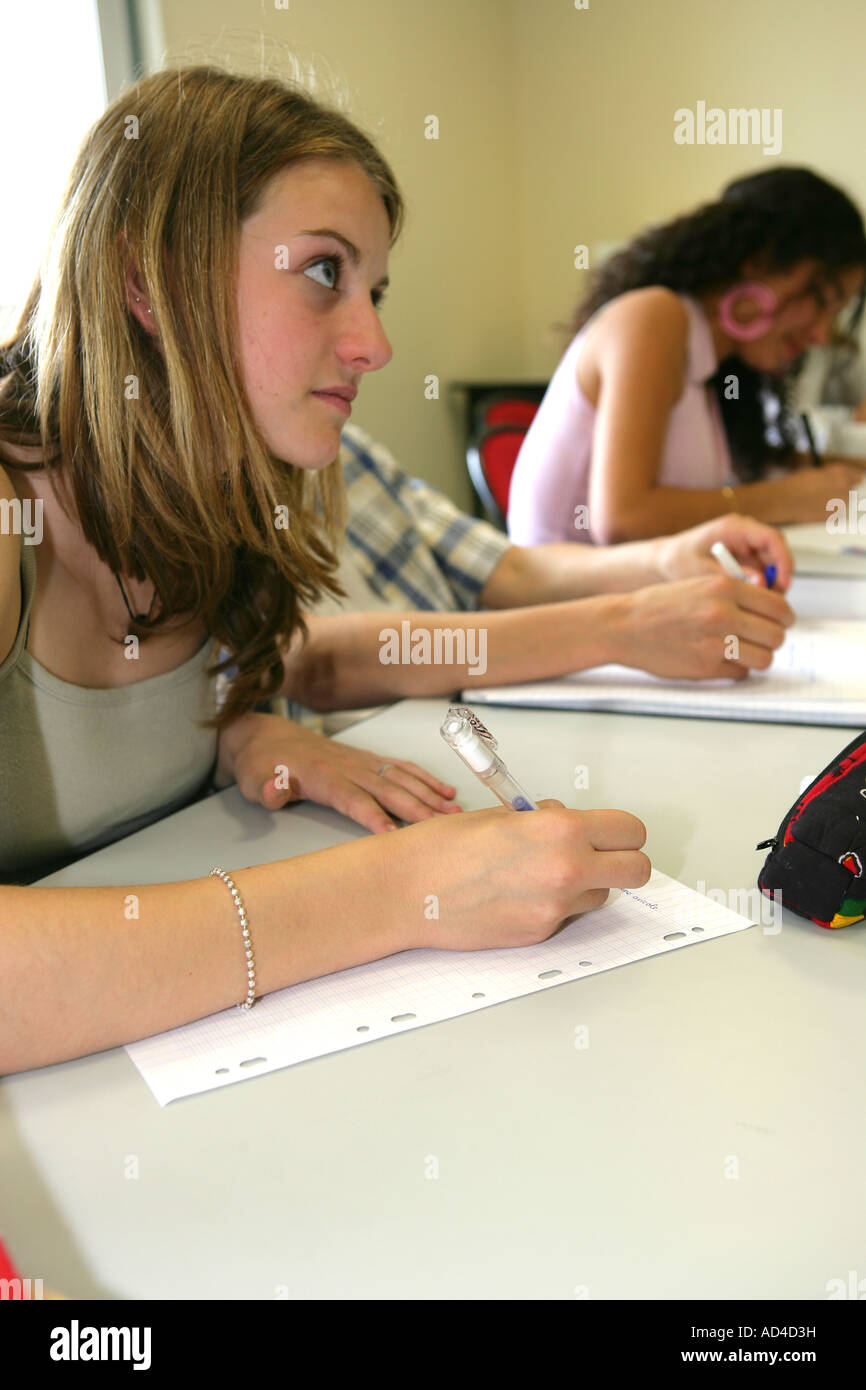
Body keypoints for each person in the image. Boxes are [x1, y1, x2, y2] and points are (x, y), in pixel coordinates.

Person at [0, 64, 657, 1076]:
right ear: (144, 278)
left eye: (374, 289)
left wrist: (240, 736)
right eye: (322, 271)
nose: (375, 342)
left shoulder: (218, 492)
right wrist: (401, 891)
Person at [272, 422, 793, 739]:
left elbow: (511, 569)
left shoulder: (345, 449)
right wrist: (620, 625)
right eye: (325, 274)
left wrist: (663, 559)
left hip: (473, 721)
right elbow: (314, 662)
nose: (377, 347)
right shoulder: (212, 477)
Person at [507, 167, 866, 546]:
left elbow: (736, 472)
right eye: (822, 299)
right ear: (761, 259)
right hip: (573, 599)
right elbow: (623, 519)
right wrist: (786, 498)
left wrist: (824, 476)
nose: (821, 334)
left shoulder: (715, 363)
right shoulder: (653, 318)